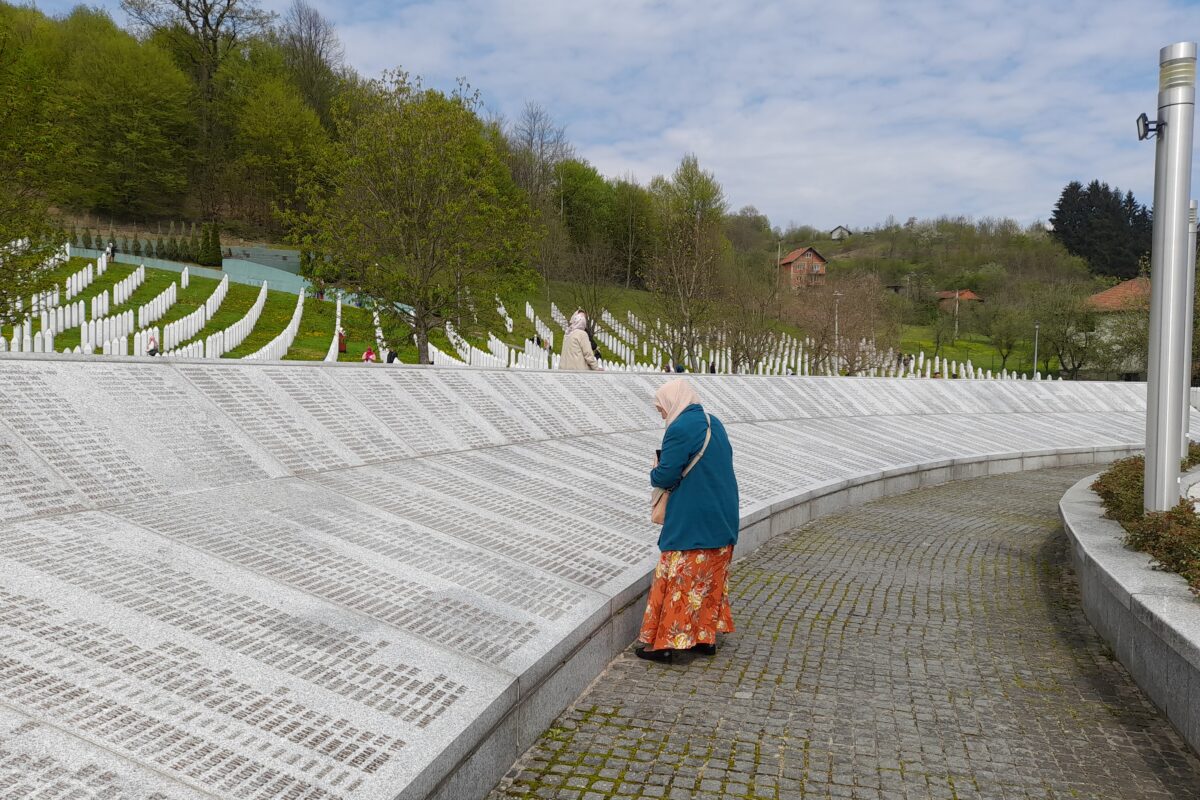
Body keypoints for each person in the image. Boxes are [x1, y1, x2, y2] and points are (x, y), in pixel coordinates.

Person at [638, 378, 739, 663]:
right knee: (709, 580)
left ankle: (667, 644)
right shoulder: (714, 422)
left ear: (673, 402)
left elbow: (667, 475)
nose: (661, 414)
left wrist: (654, 471)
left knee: (679, 582)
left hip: (693, 520)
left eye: (661, 408)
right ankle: (704, 639)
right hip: (724, 516)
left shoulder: (679, 428)